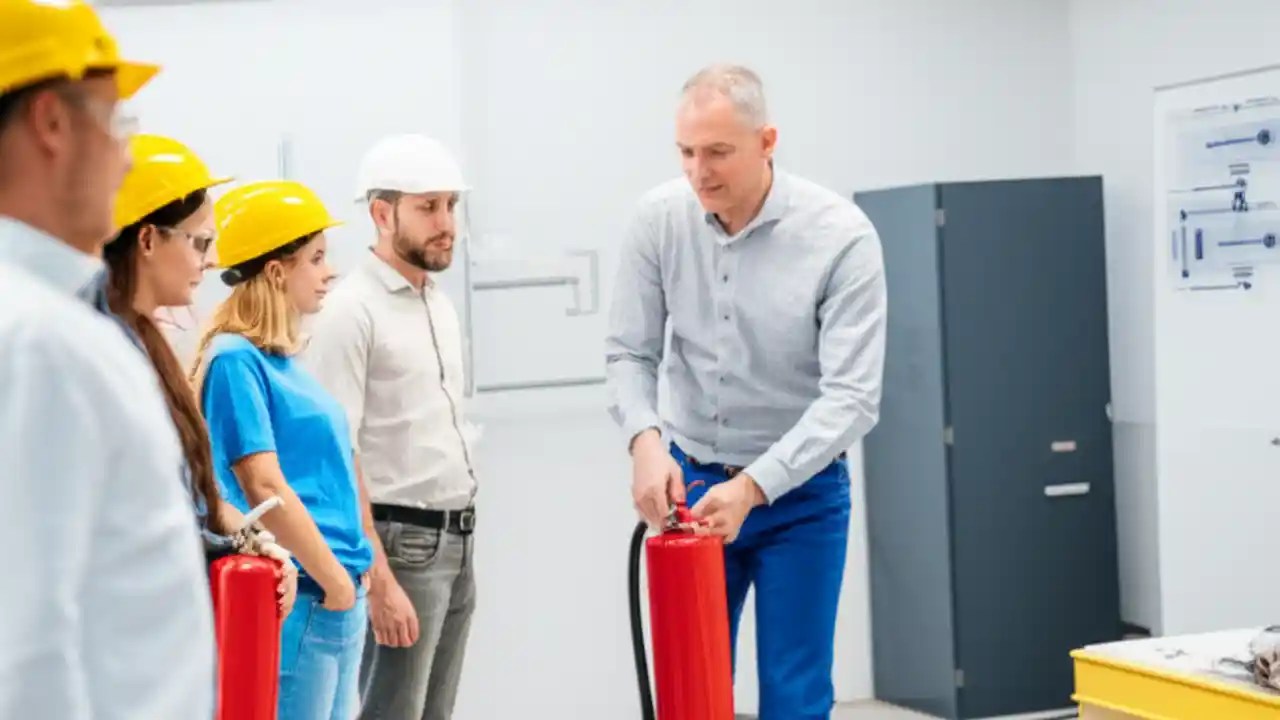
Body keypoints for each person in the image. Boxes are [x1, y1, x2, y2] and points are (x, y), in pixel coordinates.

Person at [605, 64, 887, 719]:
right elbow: (629, 352)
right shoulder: (658, 221)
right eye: (686, 152)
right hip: (694, 488)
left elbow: (852, 398)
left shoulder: (841, 237)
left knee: (796, 692)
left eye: (717, 152)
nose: (698, 172)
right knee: (690, 691)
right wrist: (645, 442)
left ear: (767, 142)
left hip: (803, 496)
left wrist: (756, 487)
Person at [0, 2, 215, 719]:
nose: (126, 157)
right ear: (52, 124)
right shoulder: (42, 344)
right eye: (117, 122)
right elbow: (24, 654)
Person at [301, 133, 479, 720]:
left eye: (451, 205)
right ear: (382, 214)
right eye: (428, 207)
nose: (446, 223)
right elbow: (337, 454)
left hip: (457, 541)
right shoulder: (351, 311)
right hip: (401, 547)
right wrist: (378, 580)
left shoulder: (437, 304)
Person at [191, 179, 374, 720]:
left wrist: (351, 577)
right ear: (275, 271)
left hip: (336, 593)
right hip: (309, 595)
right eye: (316, 258)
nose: (329, 272)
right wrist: (335, 580)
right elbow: (263, 485)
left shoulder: (283, 362)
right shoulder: (234, 360)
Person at [97, 132, 296, 617]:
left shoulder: (147, 344)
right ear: (148, 239)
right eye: (200, 242)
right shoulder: (105, 355)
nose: (210, 261)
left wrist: (252, 540)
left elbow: (193, 496)